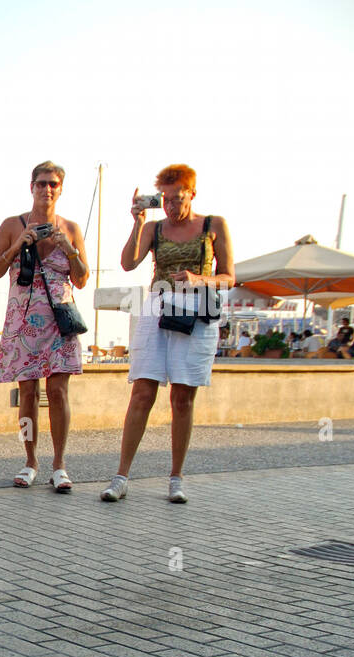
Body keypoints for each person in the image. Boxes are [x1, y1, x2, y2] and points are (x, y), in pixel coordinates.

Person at [101, 163, 235, 504]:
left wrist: (198, 278)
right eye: (166, 200)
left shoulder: (213, 225)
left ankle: (176, 477)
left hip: (197, 306)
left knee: (182, 397)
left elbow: (229, 277)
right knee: (143, 391)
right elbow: (129, 263)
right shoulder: (156, 227)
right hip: (159, 304)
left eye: (178, 199)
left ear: (191, 193)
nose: (172, 206)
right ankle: (121, 476)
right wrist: (138, 222)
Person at [0, 161, 89, 492]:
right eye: (41, 183)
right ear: (31, 187)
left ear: (61, 189)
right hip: (23, 321)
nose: (47, 189)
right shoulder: (12, 225)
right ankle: (30, 460)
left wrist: (68, 250)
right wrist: (18, 245)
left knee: (58, 392)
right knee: (27, 393)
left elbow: (83, 279)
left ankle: (59, 463)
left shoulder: (70, 228)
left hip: (60, 320)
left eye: (53, 184)